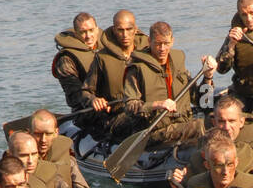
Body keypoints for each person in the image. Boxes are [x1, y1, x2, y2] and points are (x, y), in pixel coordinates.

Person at [123, 21, 217, 150]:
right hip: (153, 132)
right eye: (157, 43)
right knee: (200, 126)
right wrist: (158, 104)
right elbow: (130, 107)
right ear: (149, 41)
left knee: (217, 120)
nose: (162, 48)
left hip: (182, 124)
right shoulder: (136, 69)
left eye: (166, 44)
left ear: (172, 41)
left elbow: (203, 103)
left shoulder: (178, 62)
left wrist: (208, 76)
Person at [81, 9, 149, 139]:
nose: (125, 35)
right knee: (138, 120)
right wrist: (94, 100)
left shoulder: (148, 53)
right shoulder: (101, 58)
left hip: (147, 110)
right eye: (120, 30)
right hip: (116, 116)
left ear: (136, 29)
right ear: (113, 30)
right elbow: (85, 92)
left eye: (129, 29)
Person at [52, 11, 105, 114]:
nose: (88, 36)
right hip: (85, 110)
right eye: (83, 32)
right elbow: (74, 92)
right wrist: (92, 100)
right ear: (76, 34)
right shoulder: (66, 60)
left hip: (112, 102)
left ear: (97, 30)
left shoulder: (109, 48)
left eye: (91, 30)